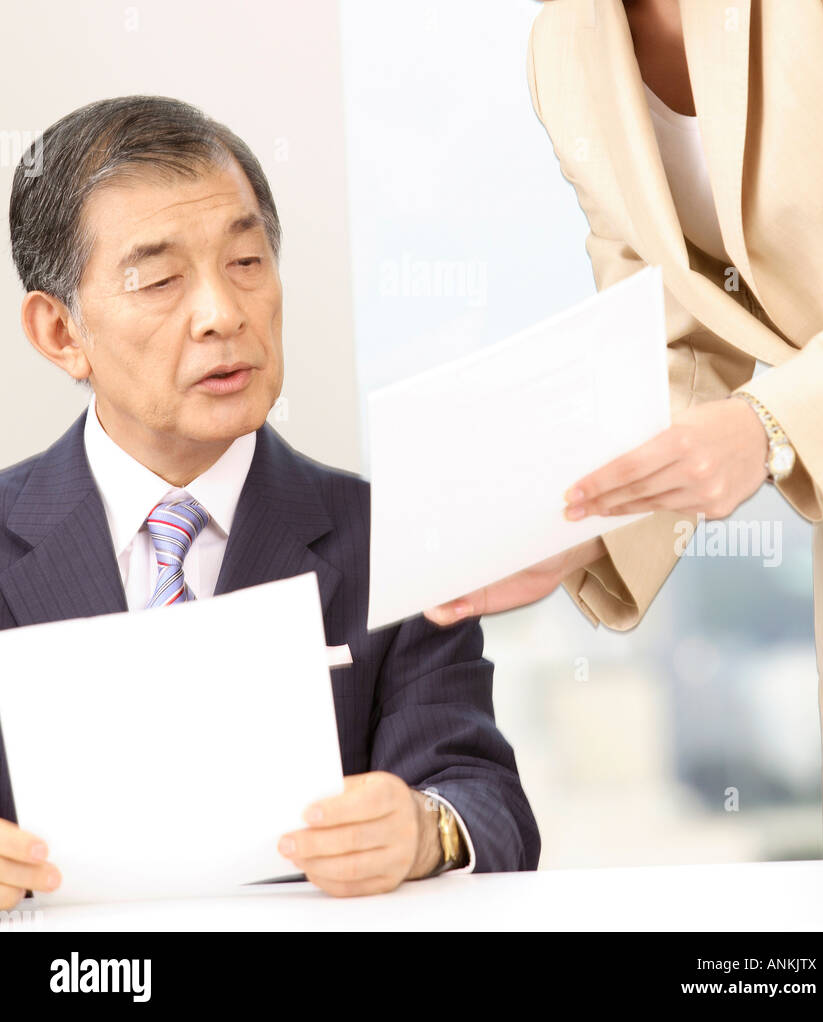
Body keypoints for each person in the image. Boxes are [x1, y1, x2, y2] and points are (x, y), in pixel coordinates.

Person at [338, 0, 823, 856]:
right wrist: (575, 525)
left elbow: (759, 407)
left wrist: (776, 425)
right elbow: (674, 346)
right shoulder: (564, 52)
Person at [0, 95, 540, 909]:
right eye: (158, 280)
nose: (223, 314)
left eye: (247, 264)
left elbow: (487, 803)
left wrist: (426, 831)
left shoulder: (390, 536)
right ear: (58, 333)